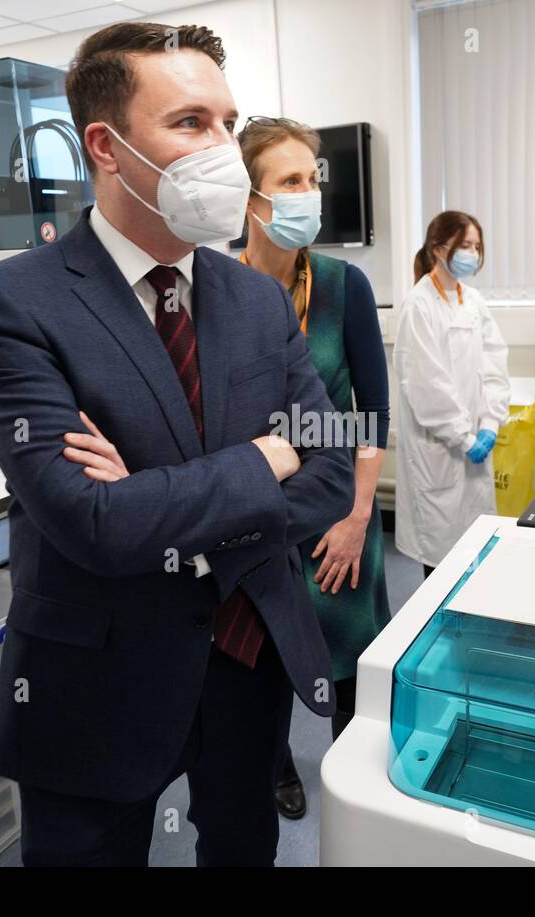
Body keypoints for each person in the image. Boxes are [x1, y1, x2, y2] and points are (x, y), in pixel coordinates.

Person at [0, 22, 354, 866]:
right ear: (106, 144)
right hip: (97, 674)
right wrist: (260, 459)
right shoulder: (8, 305)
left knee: (241, 848)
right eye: (190, 123)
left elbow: (330, 476)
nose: (225, 150)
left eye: (228, 123)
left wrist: (153, 496)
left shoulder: (255, 301)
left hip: (247, 649)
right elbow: (92, 525)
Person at [235, 116, 392, 820]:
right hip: (257, 515)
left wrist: (359, 517)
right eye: (289, 182)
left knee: (352, 653)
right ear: (249, 199)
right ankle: (274, 767)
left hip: (342, 510)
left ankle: (357, 781)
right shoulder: (216, 292)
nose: (308, 195)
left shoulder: (340, 286)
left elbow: (372, 413)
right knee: (260, 660)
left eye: (312, 180)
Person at [393, 211, 509, 576]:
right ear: (439, 248)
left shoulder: (474, 301)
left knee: (474, 549)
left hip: (475, 445)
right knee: (440, 561)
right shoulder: (419, 305)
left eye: (477, 246)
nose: (472, 254)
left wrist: (490, 422)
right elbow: (427, 384)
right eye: (465, 246)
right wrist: (462, 436)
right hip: (439, 450)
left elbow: (494, 365)